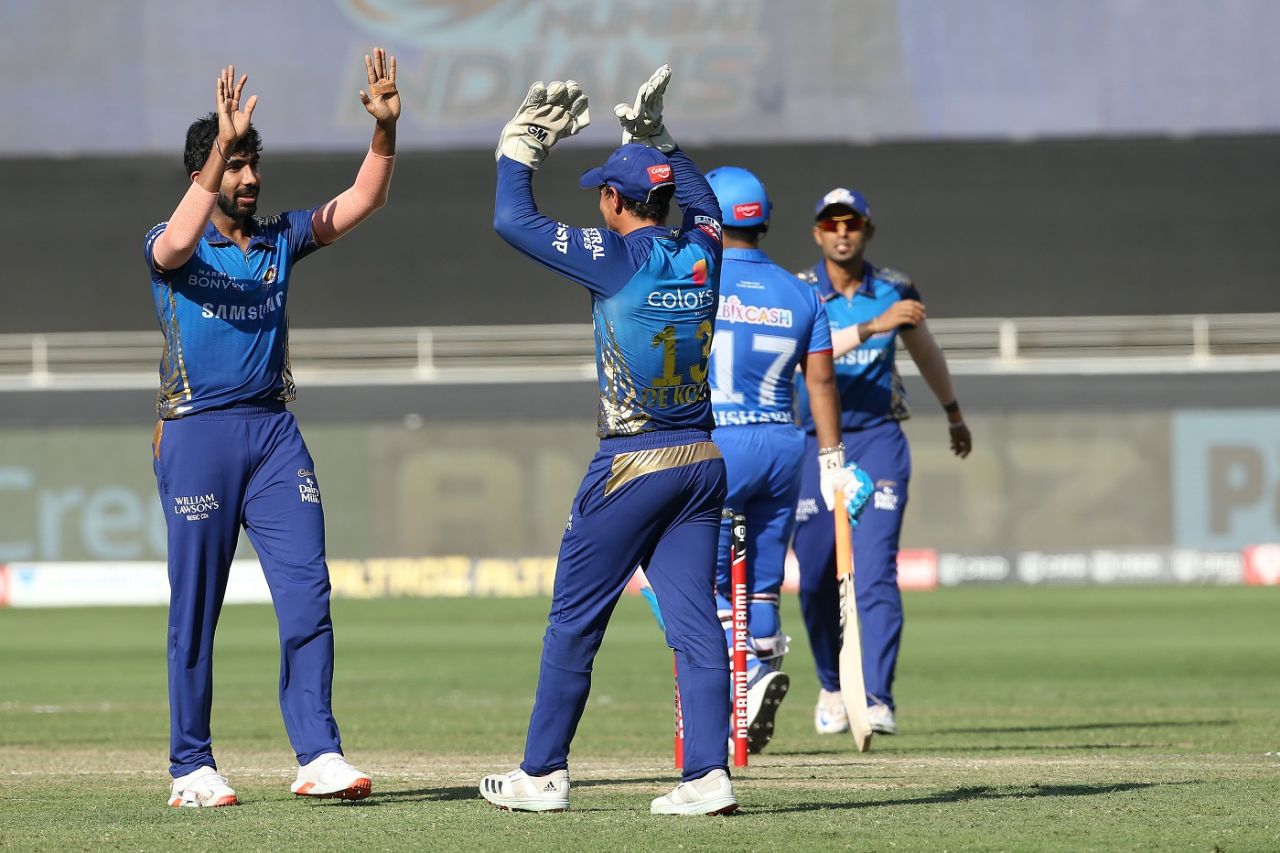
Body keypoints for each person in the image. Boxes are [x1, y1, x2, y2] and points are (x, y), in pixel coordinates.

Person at [143, 51, 400, 808]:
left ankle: (318, 752)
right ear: (209, 172)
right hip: (196, 436)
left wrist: (385, 133)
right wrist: (220, 144)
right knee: (197, 604)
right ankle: (191, 766)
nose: (250, 181)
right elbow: (176, 244)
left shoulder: (283, 237)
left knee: (307, 591)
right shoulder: (171, 242)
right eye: (236, 169)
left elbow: (361, 201)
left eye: (254, 167)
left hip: (273, 435)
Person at [478, 67, 737, 816]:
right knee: (695, 623)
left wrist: (518, 151)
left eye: (605, 191)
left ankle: (542, 773)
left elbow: (512, 220)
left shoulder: (613, 254)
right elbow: (708, 205)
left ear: (617, 202)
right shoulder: (702, 254)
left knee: (574, 617)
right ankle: (708, 775)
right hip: (701, 461)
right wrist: (662, 143)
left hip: (631, 462)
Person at [792, 187, 972, 739]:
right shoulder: (798, 294)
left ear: (867, 231)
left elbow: (926, 352)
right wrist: (873, 327)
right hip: (810, 444)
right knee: (816, 577)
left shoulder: (894, 289)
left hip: (878, 442)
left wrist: (953, 412)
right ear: (817, 233)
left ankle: (875, 697)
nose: (841, 232)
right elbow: (804, 359)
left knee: (874, 572)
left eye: (852, 223)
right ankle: (832, 683)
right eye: (831, 223)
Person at [701, 166, 860, 754]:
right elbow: (821, 383)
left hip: (717, 444)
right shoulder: (802, 292)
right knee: (763, 587)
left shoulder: (697, 279)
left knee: (696, 580)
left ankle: (744, 678)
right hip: (782, 447)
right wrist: (833, 458)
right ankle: (764, 663)